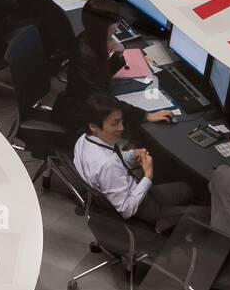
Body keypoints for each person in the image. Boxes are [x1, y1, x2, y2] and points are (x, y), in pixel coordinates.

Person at [73, 94, 201, 233]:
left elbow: (115, 160)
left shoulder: (84, 140)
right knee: (200, 215)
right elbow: (127, 210)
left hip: (131, 191)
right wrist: (148, 176)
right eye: (115, 123)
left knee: (185, 189)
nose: (121, 128)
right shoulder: (107, 165)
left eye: (121, 121)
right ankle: (170, 229)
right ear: (93, 126)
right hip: (140, 210)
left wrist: (132, 155)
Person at [55, 0, 173, 131]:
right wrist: (146, 115)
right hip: (81, 115)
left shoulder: (90, 38)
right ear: (105, 26)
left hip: (83, 100)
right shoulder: (86, 54)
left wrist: (119, 55)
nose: (117, 25)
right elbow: (101, 98)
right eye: (115, 21)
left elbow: (99, 76)